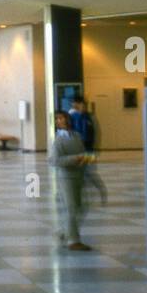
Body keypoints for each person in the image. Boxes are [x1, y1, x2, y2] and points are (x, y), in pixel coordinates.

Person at [49, 110, 92, 250]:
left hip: (78, 175)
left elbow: (82, 152)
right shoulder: (57, 140)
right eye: (58, 119)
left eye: (63, 118)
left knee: (80, 207)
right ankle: (73, 240)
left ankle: (64, 232)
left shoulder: (76, 136)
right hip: (66, 178)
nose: (61, 121)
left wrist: (85, 159)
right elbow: (54, 160)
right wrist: (75, 159)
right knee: (71, 208)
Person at [69, 97, 107, 206]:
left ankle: (100, 191)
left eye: (78, 104)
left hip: (89, 150)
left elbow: (96, 133)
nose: (76, 107)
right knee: (78, 174)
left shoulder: (89, 117)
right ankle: (76, 197)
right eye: (74, 105)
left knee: (89, 173)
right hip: (77, 151)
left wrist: (96, 149)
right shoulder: (73, 116)